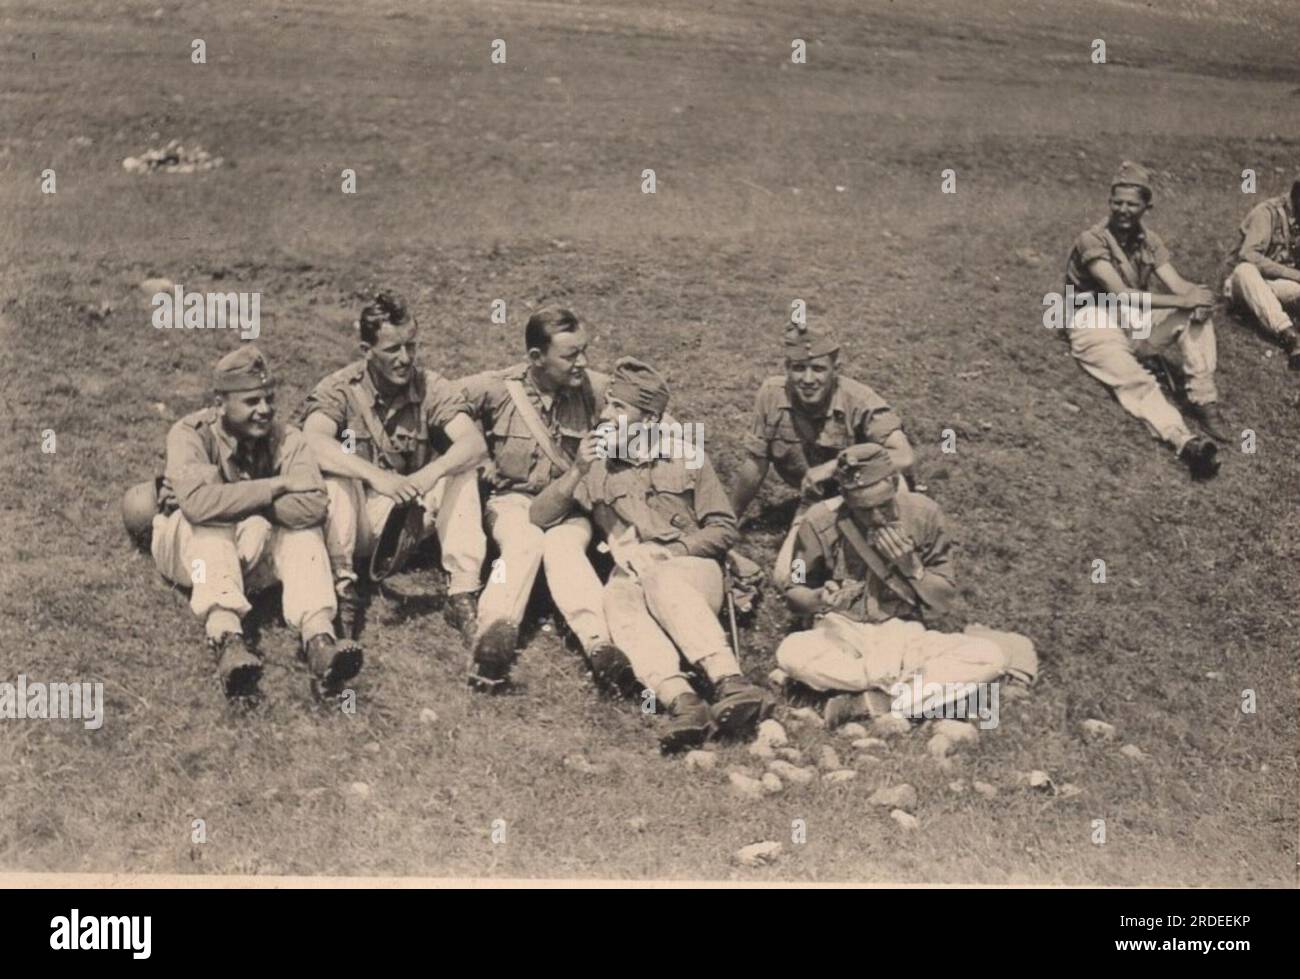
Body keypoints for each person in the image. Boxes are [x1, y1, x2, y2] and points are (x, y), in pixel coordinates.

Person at [530, 357, 773, 752]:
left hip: (693, 572)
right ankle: (683, 702)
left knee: (660, 576)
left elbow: (724, 527)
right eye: (607, 404)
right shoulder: (597, 467)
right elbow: (538, 516)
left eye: (619, 408)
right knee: (617, 594)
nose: (606, 415)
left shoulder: (687, 456)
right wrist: (576, 471)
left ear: (651, 418)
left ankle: (730, 681)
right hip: (636, 579)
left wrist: (671, 552)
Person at [132, 345, 361, 700]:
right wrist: (275, 486)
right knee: (212, 525)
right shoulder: (190, 432)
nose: (265, 410)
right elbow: (196, 507)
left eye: (269, 398)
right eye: (252, 401)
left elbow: (313, 506)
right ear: (221, 402)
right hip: (188, 551)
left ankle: (319, 640)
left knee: (303, 533)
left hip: (255, 548)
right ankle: (227, 640)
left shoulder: (289, 438)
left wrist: (235, 498)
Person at [298, 291, 488, 644]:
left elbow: (473, 444)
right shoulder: (340, 388)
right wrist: (376, 476)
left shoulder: (430, 385)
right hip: (354, 520)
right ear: (366, 351)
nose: (405, 359)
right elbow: (312, 441)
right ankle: (343, 586)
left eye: (411, 347)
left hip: (409, 518)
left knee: (460, 469)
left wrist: (429, 473)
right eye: (392, 350)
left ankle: (462, 592)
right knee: (338, 475)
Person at [775, 444, 1007, 728]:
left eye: (884, 505)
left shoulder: (925, 514)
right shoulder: (818, 520)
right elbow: (794, 592)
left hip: (905, 634)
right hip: (845, 634)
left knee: (989, 656)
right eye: (864, 510)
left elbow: (943, 601)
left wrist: (912, 567)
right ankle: (915, 697)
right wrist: (818, 598)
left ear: (896, 485)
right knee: (790, 652)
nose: (877, 517)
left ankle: (869, 702)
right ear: (845, 498)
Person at [457, 308, 623, 691]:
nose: (582, 362)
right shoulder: (498, 388)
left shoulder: (595, 390)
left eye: (584, 351)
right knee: (523, 540)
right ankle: (492, 640)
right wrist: (475, 448)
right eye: (570, 355)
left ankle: (601, 646)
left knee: (565, 547)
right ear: (536, 358)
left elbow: (660, 420)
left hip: (569, 507)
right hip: (511, 502)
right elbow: (441, 403)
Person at [1063, 161, 1225, 479]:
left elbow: (1179, 286)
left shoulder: (1149, 240)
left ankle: (1203, 399)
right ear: (1109, 202)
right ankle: (1184, 441)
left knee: (1194, 312)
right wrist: (1184, 300)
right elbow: (1121, 293)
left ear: (1146, 207)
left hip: (1132, 320)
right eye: (1117, 202)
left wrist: (1201, 298)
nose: (1122, 210)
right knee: (1135, 381)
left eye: (1131, 204)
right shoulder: (1092, 239)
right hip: (1092, 320)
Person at [730, 320, 914, 590]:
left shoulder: (859, 399)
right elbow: (755, 465)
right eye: (798, 368)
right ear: (787, 368)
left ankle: (906, 550)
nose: (807, 379)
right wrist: (729, 519)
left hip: (866, 497)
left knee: (898, 503)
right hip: (815, 503)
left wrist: (833, 467)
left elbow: (905, 456)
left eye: (818, 369)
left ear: (835, 371)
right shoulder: (771, 395)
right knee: (788, 578)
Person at [1225, 174, 1300, 368]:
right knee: (1245, 270)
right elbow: (1248, 255)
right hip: (1242, 284)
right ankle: (1289, 335)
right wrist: (1294, 275)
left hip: (1276, 286)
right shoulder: (1267, 212)